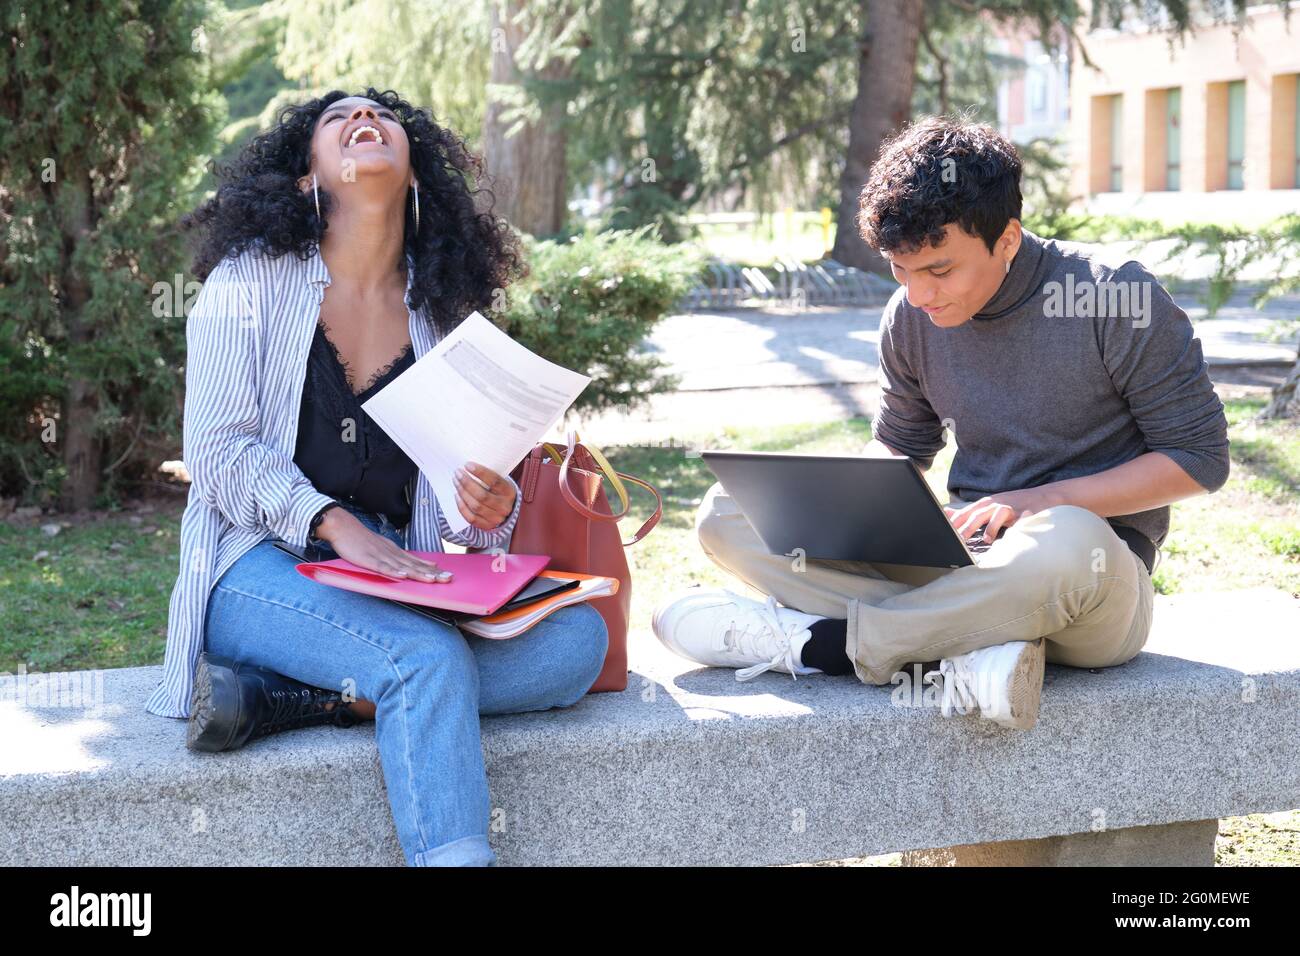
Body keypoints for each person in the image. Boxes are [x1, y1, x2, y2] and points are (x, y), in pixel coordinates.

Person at [144, 88, 609, 867]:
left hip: (403, 575)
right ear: (306, 179)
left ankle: (301, 699)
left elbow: (463, 509)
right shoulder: (245, 284)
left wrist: (489, 504)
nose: (364, 120)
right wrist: (334, 523)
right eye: (337, 120)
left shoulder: (445, 310)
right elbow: (218, 455)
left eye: (382, 116)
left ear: (417, 173)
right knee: (424, 660)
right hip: (256, 563)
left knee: (576, 643)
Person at [652, 117, 1230, 731]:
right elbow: (900, 447)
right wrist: (847, 508)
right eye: (901, 271)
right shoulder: (908, 318)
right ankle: (964, 647)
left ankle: (820, 647)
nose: (919, 294)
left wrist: (1040, 500)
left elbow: (1199, 460)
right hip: (957, 560)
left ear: (1007, 238)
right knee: (729, 511)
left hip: (1086, 581)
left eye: (940, 270)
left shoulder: (1114, 297)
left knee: (1068, 535)